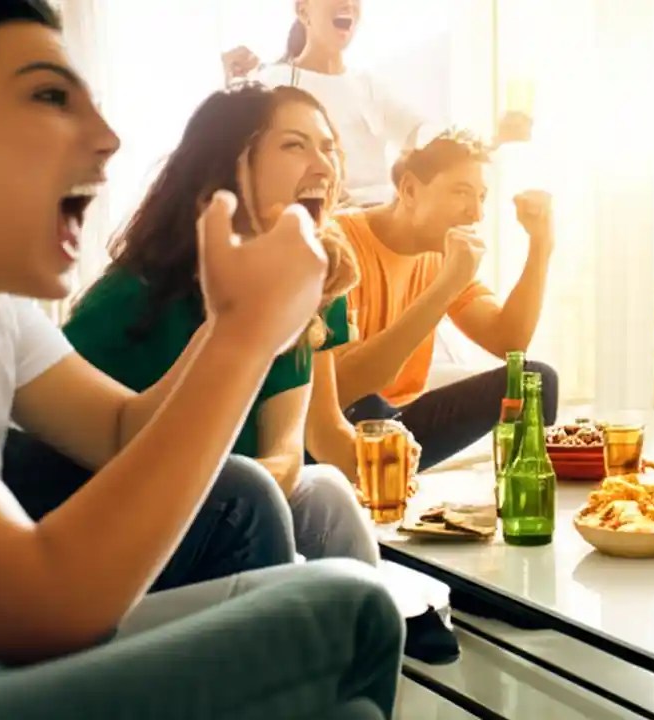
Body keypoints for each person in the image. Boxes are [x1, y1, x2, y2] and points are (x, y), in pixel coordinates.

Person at [0, 3, 403, 718]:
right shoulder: (126, 301)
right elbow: (40, 605)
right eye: (47, 97)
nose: (107, 137)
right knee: (352, 610)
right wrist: (243, 335)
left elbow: (125, 427)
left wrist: (239, 325)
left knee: (346, 687)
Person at [63, 83, 384, 568]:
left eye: (329, 148)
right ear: (229, 167)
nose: (325, 166)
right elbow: (80, 472)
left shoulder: (304, 285)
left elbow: (286, 452)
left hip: (241, 510)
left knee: (325, 492)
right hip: (126, 540)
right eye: (295, 145)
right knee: (251, 490)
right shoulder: (127, 303)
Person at [331, 129, 559, 471]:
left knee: (535, 380)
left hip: (404, 425)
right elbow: (342, 387)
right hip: (338, 427)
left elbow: (509, 340)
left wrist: (541, 245)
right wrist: (446, 286)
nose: (476, 214)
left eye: (482, 197)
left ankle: (521, 499)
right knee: (368, 405)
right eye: (462, 192)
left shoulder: (440, 255)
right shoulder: (338, 245)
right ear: (409, 190)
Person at [221, 0, 532, 207]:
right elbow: (231, 150)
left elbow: (434, 139)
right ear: (303, 12)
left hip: (376, 223)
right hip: (315, 222)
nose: (348, 4)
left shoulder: (368, 86)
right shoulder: (274, 81)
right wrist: (231, 82)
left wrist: (495, 139)